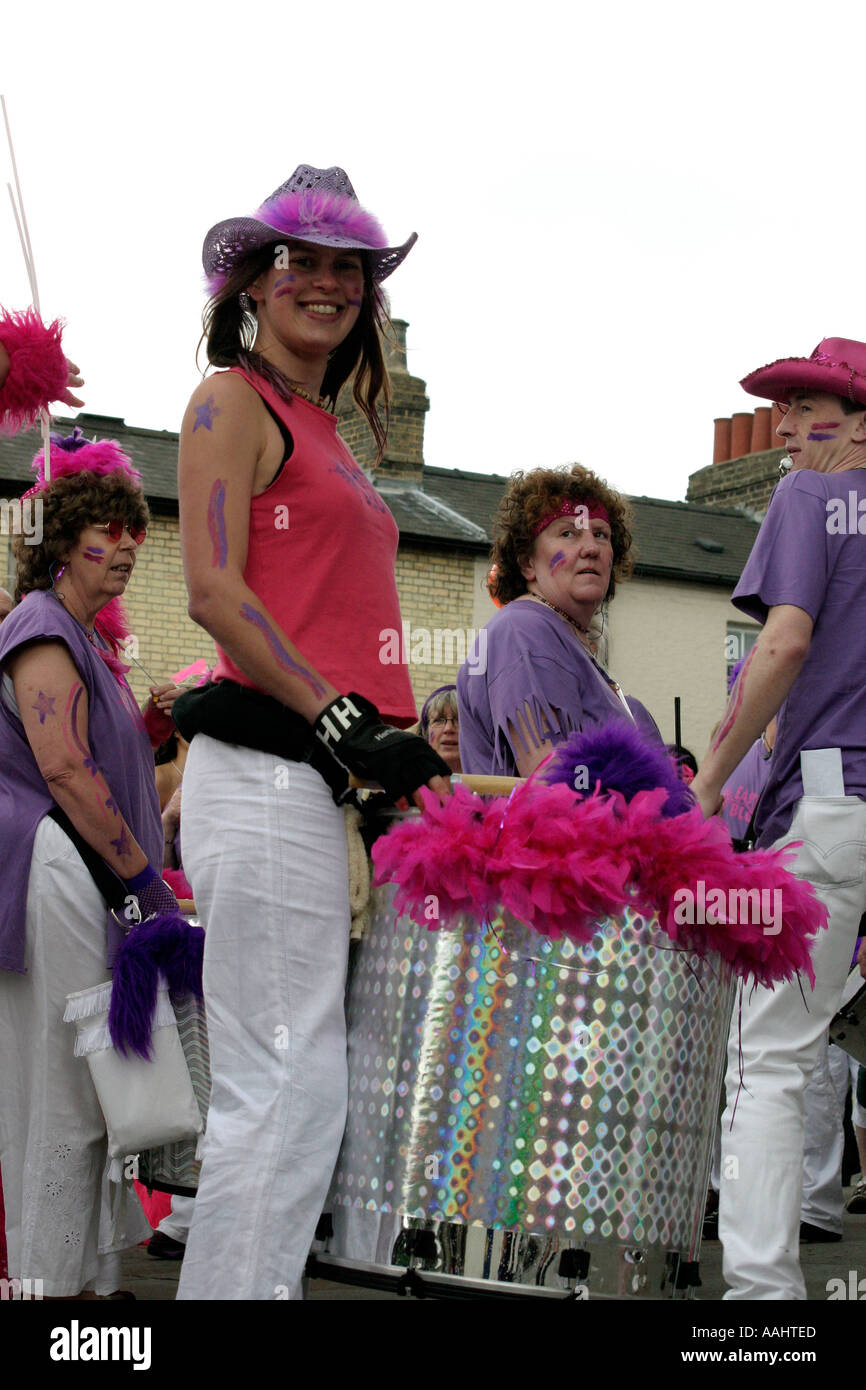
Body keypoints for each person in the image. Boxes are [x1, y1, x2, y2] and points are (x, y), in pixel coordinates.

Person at [173, 163, 451, 1301]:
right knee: (281, 1089)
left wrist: (384, 745)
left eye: (350, 268)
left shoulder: (327, 431)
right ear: (252, 281)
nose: (328, 284)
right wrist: (339, 714)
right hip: (272, 775)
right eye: (304, 261)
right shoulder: (227, 401)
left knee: (306, 1094)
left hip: (325, 791)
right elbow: (211, 590)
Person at [691, 337, 866, 1300]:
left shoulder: (808, 499)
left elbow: (785, 638)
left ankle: (763, 1305)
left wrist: (711, 778)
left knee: (770, 1062)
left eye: (813, 403)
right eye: (785, 404)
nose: (791, 424)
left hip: (830, 806)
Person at [0, 429, 178, 1298]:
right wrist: (148, 886)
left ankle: (89, 1285)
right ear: (63, 540)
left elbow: (92, 758)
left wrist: (149, 727)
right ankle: (47, 1288)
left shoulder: (85, 639)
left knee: (94, 1094)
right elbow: (63, 766)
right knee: (65, 1097)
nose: (129, 546)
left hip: (84, 882)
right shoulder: (41, 623)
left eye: (133, 529)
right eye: (108, 529)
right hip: (57, 877)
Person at [458, 464, 661, 776]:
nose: (591, 548)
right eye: (568, 533)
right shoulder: (524, 629)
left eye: (601, 535)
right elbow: (551, 780)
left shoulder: (560, 635)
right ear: (527, 562)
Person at [419, 684, 462, 774]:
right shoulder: (407, 784)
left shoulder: (496, 783)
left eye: (459, 720)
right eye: (438, 720)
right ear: (425, 733)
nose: (448, 729)